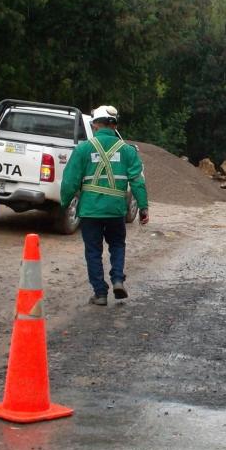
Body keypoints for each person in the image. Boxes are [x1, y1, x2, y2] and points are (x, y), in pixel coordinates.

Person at [61, 105, 149, 306]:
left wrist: (64, 203)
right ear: (115, 125)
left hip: (90, 210)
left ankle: (100, 293)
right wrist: (143, 207)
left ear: (96, 125)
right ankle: (118, 278)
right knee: (117, 245)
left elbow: (70, 180)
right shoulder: (127, 151)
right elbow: (137, 180)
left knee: (93, 250)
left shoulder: (83, 149)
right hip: (116, 210)